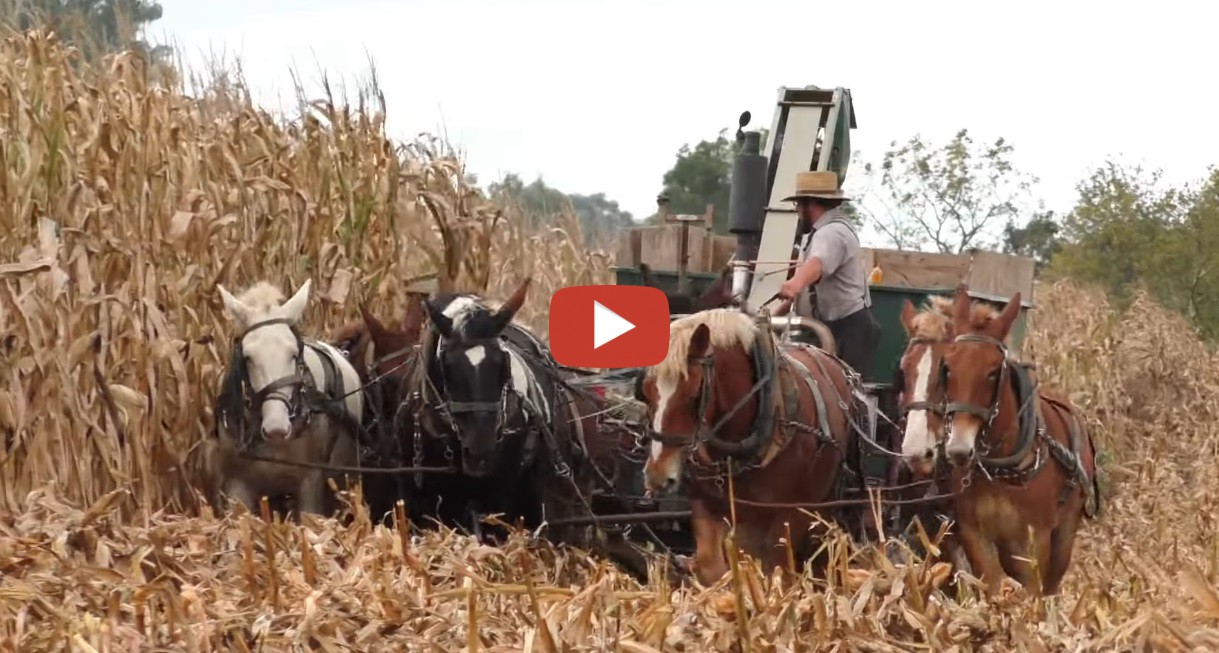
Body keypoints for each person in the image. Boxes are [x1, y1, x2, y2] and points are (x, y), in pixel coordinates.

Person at [770, 170, 881, 381]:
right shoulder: (817, 235)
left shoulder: (832, 233)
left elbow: (817, 265)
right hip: (830, 325)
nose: (797, 212)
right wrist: (774, 317)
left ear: (809, 204)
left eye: (798, 206)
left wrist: (793, 284)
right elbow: (803, 289)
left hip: (849, 328)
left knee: (848, 393)